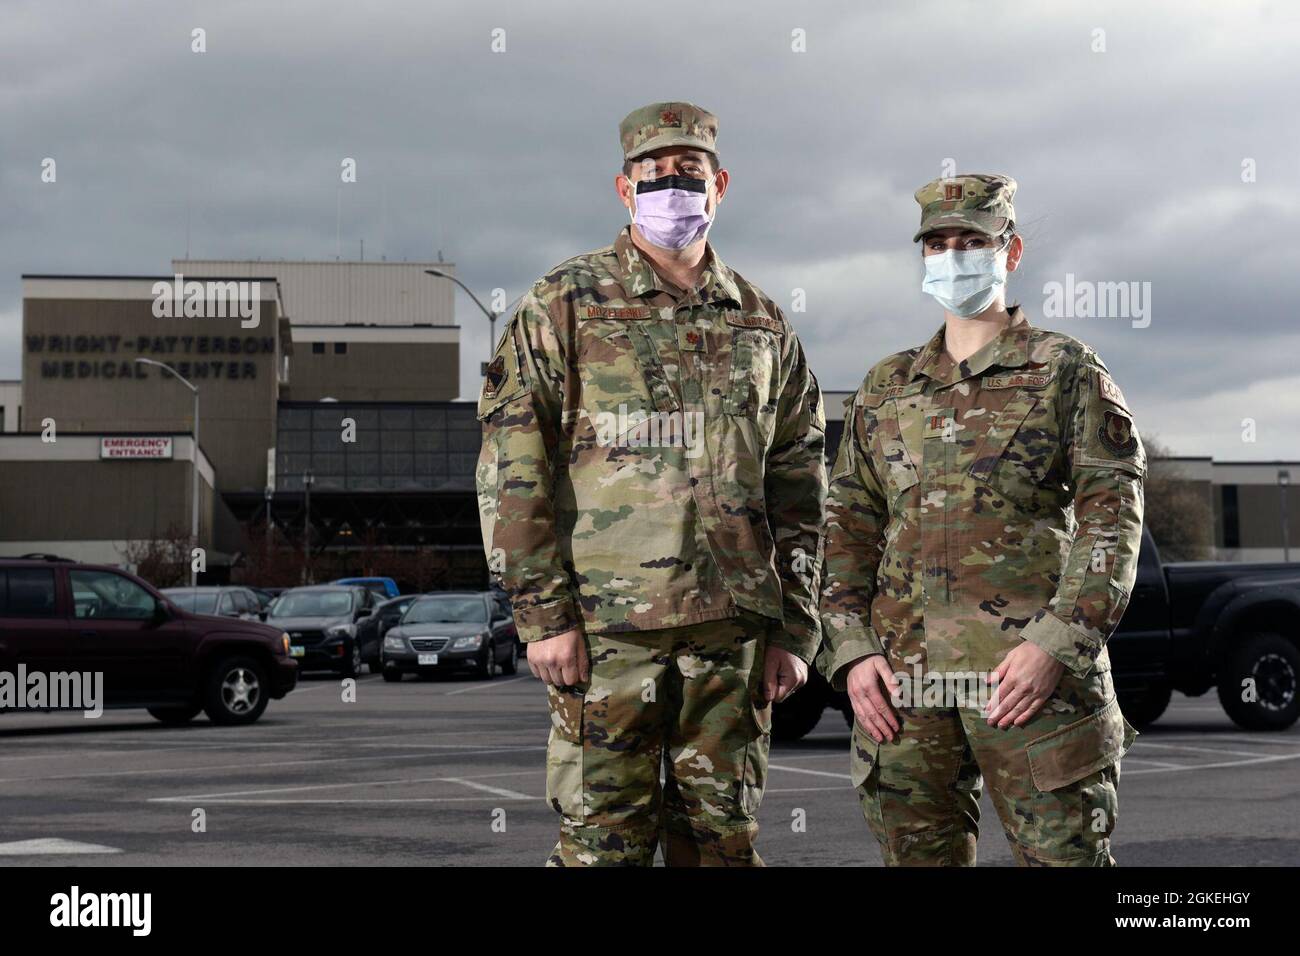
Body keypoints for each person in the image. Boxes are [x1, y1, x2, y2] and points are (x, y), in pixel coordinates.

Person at [476, 101, 827, 866]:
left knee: (721, 844)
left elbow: (801, 482)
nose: (673, 189)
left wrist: (796, 629)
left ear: (721, 184)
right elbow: (514, 461)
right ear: (623, 187)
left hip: (732, 636)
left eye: (689, 175)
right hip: (607, 635)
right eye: (655, 176)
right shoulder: (563, 304)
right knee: (604, 847)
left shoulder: (763, 324)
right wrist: (541, 613)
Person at [819, 173, 1144, 866]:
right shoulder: (887, 386)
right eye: (938, 244)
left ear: (1011, 251)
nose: (954, 255)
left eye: (973, 241)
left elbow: (1111, 520)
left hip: (1030, 685)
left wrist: (1057, 643)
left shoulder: (1065, 371)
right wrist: (851, 652)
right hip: (904, 692)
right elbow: (847, 524)